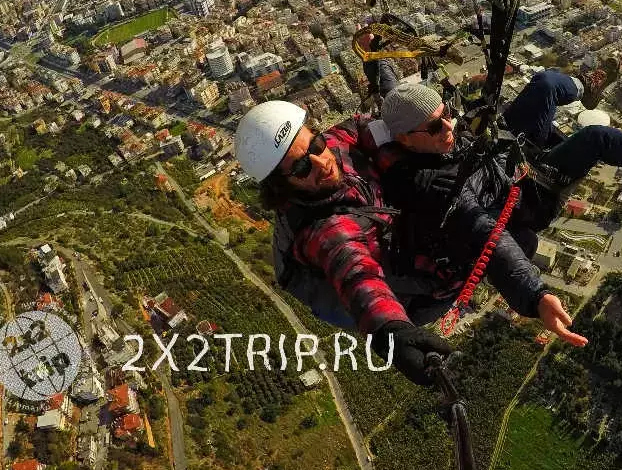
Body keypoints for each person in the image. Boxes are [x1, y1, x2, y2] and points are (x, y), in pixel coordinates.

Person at [234, 100, 586, 385]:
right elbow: (358, 276)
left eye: (315, 145)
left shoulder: (337, 145)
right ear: (281, 186)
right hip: (418, 292)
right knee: (518, 239)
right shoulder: (328, 229)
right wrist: (393, 334)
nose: (321, 163)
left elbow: (370, 126)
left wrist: (410, 168)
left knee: (490, 219)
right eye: (300, 169)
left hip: (397, 224)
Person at [371, 68, 622, 257]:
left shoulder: (420, 131)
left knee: (544, 83)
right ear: (404, 139)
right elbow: (478, 223)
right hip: (527, 192)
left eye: (447, 114)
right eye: (435, 126)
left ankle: (583, 87)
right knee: (596, 138)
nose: (448, 126)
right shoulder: (422, 180)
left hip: (506, 150)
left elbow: (394, 98)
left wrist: (378, 57)